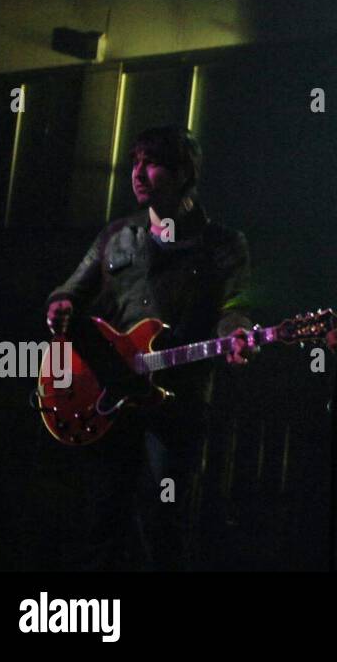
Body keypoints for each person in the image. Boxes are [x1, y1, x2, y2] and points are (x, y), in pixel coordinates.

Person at [46, 124, 254, 570]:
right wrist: (60, 304)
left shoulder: (224, 244)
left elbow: (235, 305)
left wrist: (236, 332)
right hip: (111, 398)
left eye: (153, 163)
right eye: (135, 161)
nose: (138, 173)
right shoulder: (116, 235)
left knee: (168, 519)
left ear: (183, 173)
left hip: (178, 400)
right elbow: (71, 289)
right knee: (105, 517)